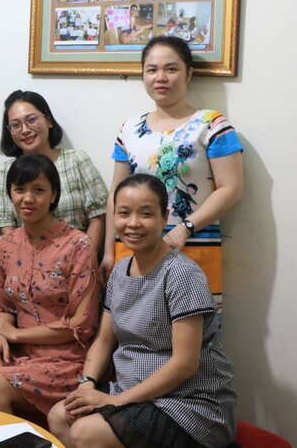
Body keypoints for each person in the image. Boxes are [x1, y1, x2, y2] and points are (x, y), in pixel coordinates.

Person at [49, 174, 237, 448]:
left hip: (190, 403)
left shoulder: (182, 274)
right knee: (59, 416)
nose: (133, 223)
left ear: (164, 217)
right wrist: (87, 383)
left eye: (146, 214)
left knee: (85, 432)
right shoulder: (119, 274)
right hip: (133, 391)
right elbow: (103, 340)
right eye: (124, 213)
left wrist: (115, 400)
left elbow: (185, 364)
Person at [103, 36, 244, 317]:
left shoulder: (212, 125)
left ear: (189, 73)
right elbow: (116, 192)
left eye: (171, 69)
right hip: (132, 249)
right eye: (151, 70)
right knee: (133, 332)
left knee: (194, 343)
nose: (161, 78)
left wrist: (185, 229)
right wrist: (108, 250)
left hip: (191, 246)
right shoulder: (128, 128)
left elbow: (232, 189)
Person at [0, 154, 100, 416]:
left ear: (54, 195)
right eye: (20, 189)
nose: (27, 198)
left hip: (66, 359)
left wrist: (16, 335)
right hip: (21, 354)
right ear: (10, 192)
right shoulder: (5, 246)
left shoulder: (78, 245)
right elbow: (2, 307)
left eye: (38, 190)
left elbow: (80, 325)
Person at [0, 90, 107, 254]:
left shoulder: (77, 161)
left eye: (31, 120)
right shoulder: (3, 174)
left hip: (79, 259)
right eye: (16, 125)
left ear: (49, 121)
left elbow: (97, 217)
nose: (24, 130)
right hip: (28, 264)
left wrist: (85, 261)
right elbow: (7, 230)